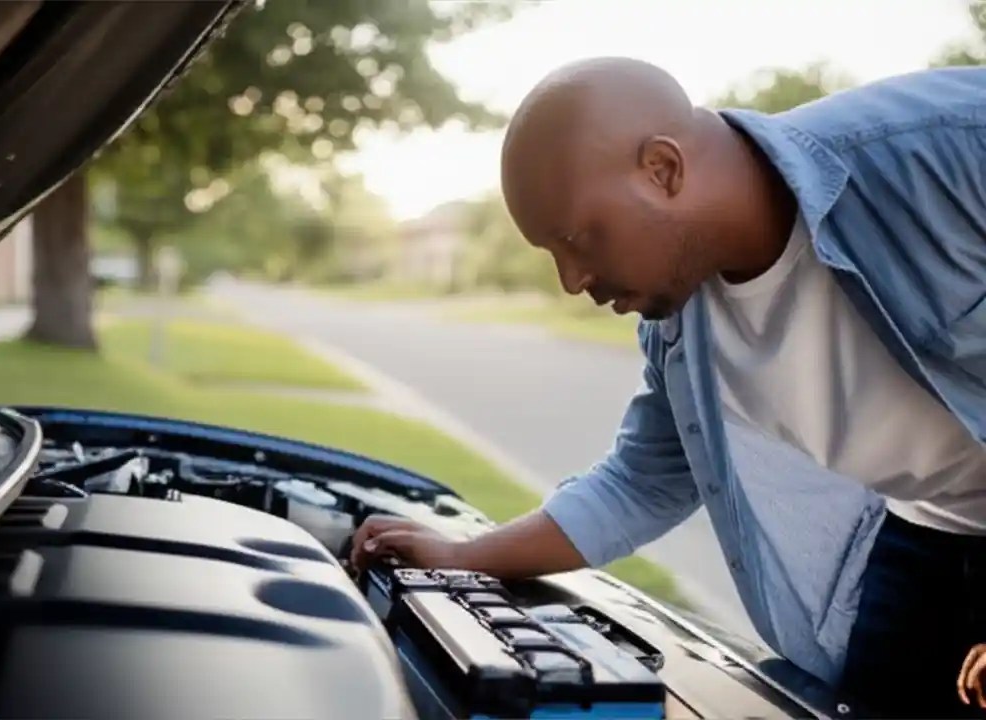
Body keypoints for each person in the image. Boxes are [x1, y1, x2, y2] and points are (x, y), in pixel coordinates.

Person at [350, 58, 986, 717]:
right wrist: (465, 555)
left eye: (577, 239)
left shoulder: (944, 147)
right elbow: (642, 482)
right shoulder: (680, 325)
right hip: (925, 542)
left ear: (663, 169)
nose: (572, 280)